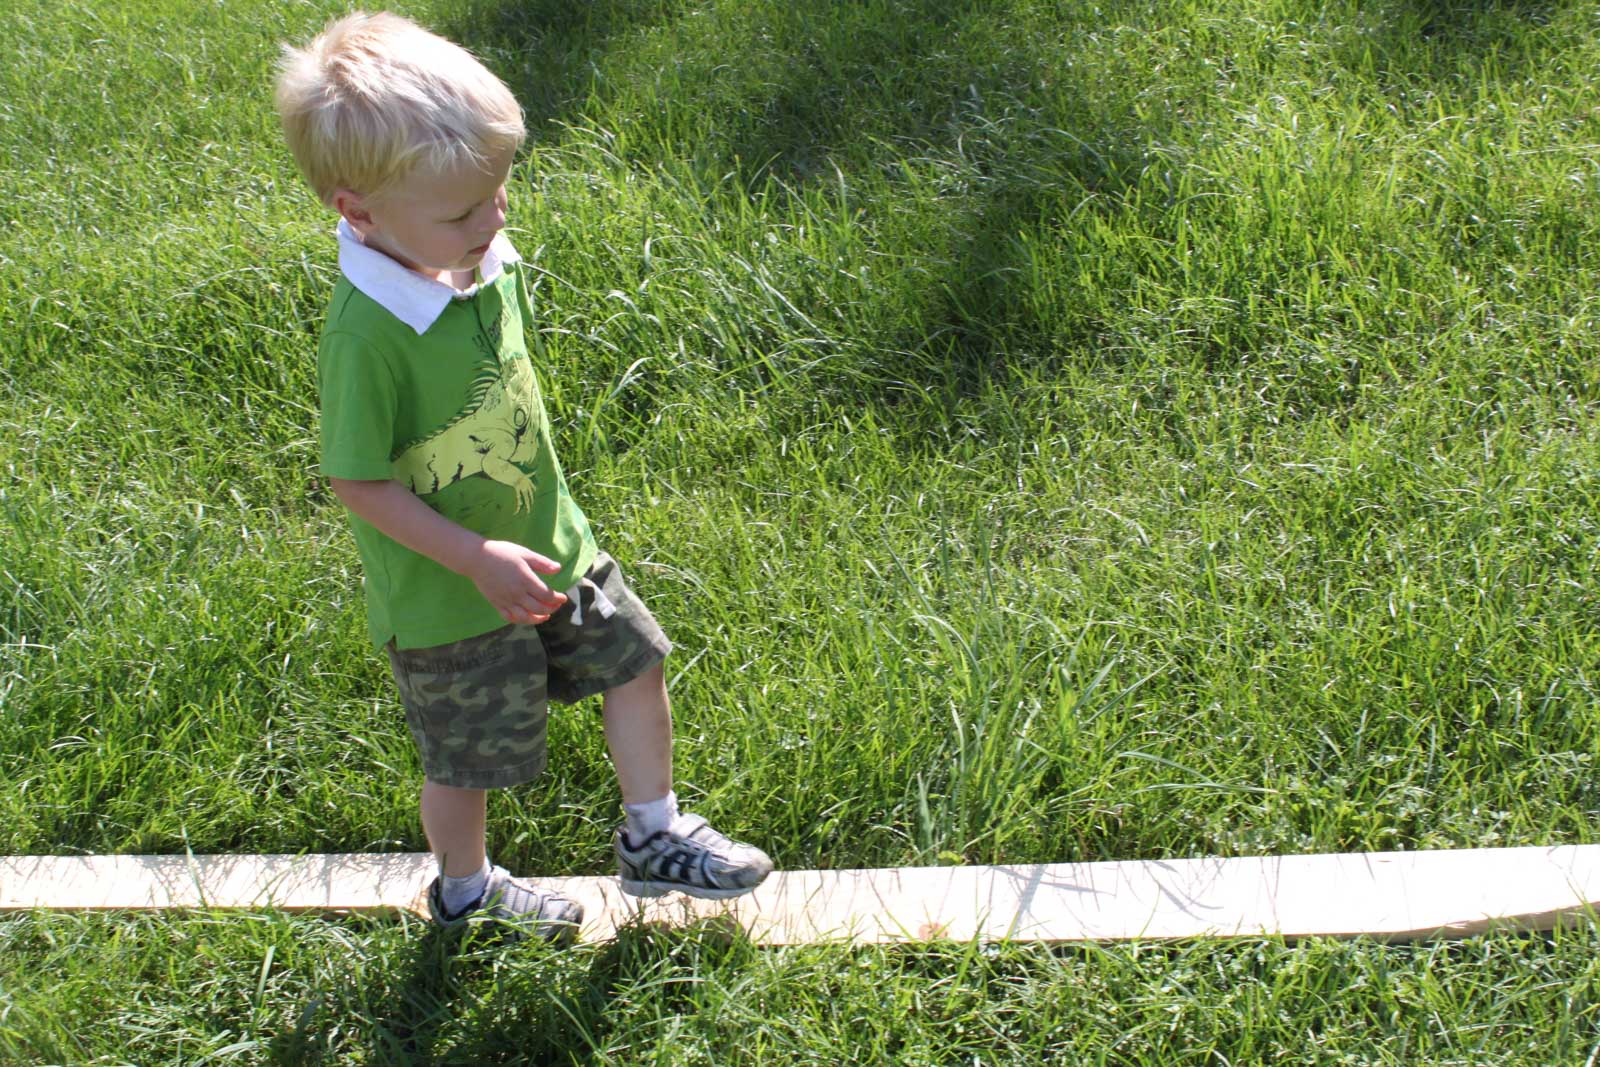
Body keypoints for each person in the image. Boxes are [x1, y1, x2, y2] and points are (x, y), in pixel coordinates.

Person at [274, 11, 772, 943]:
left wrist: (536, 528)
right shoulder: (366, 334)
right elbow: (357, 482)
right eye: (464, 210)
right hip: (447, 599)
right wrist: (471, 555)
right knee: (466, 760)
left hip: (557, 549)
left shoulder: (471, 255)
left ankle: (654, 834)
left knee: (636, 661)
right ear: (358, 210)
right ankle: (466, 889)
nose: (493, 218)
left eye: (499, 192)